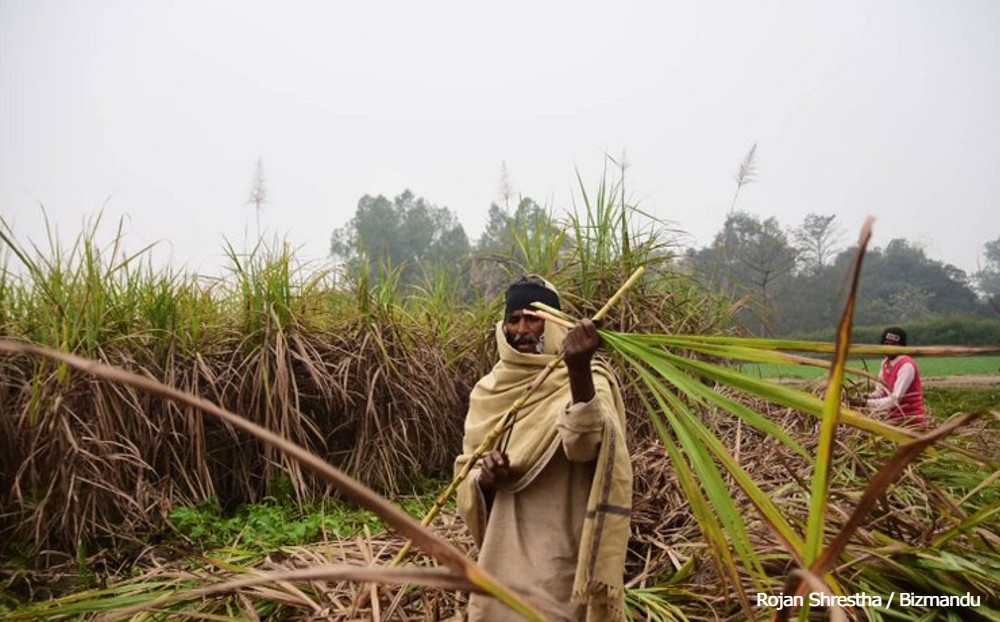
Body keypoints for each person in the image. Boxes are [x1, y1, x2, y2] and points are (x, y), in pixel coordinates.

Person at [454, 275, 633, 622]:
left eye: (533, 318)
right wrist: (486, 477)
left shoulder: (589, 378)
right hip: (503, 559)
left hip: (563, 556)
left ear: (554, 324)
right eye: (514, 319)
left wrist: (577, 371)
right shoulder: (489, 391)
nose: (522, 329)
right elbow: (466, 475)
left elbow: (587, 446)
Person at [852, 326, 928, 428]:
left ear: (901, 346)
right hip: (893, 416)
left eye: (893, 345)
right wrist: (868, 396)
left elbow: (895, 400)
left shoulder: (906, 365)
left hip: (909, 419)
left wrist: (866, 403)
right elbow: (881, 392)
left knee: (870, 431)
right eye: (886, 344)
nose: (889, 347)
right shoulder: (885, 363)